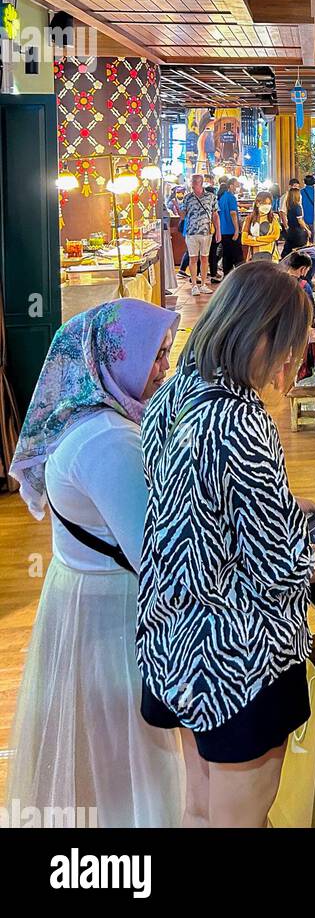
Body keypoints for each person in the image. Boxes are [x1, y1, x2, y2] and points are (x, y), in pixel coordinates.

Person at [136, 263, 315, 828]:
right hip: (238, 654)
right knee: (241, 815)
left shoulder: (177, 393)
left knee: (200, 807)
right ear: (259, 334)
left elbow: (194, 502)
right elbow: (285, 565)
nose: (293, 363)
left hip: (174, 633)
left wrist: (283, 504)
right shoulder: (239, 417)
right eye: (289, 347)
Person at [6, 300, 184, 828]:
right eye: (155, 358)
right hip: (112, 617)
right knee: (126, 755)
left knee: (96, 751)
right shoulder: (108, 439)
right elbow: (154, 550)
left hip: (87, 602)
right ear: (117, 360)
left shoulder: (87, 419)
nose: (164, 370)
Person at [241, 191, 281, 259]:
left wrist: (255, 239)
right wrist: (266, 241)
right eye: (264, 203)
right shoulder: (249, 219)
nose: (267, 206)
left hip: (271, 256)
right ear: (257, 203)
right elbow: (244, 240)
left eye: (269, 203)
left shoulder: (273, 218)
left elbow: (275, 237)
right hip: (254, 256)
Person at [217, 177, 243, 275]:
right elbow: (233, 213)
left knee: (227, 255)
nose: (238, 188)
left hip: (223, 230)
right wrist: (236, 230)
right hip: (231, 230)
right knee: (237, 255)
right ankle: (240, 276)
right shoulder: (231, 198)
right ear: (231, 186)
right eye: (237, 186)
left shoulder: (222, 197)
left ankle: (227, 275)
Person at [280, 182, 311, 258]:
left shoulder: (289, 206)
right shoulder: (297, 207)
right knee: (300, 251)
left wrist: (286, 226)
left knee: (287, 251)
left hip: (291, 230)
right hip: (298, 232)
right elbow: (300, 221)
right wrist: (307, 230)